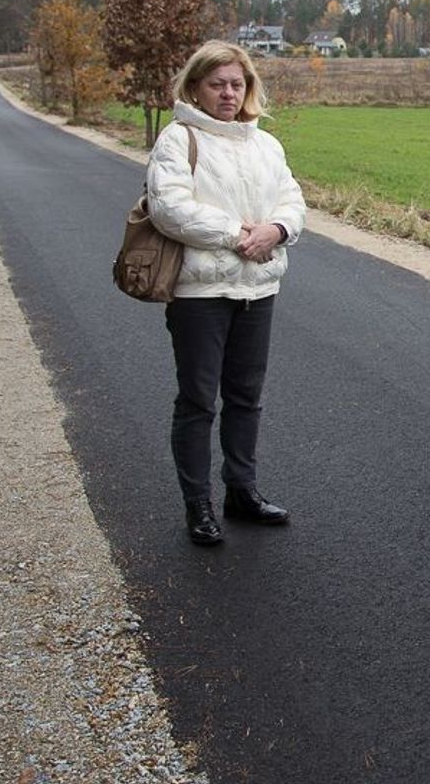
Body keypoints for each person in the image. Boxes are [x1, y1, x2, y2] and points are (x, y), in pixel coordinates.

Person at [146, 41, 307, 546]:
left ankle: (242, 490)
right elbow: (169, 208)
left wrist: (277, 229)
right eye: (217, 84)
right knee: (198, 399)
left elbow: (293, 200)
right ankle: (198, 505)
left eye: (237, 84)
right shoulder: (178, 140)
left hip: (257, 288)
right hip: (200, 292)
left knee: (246, 395)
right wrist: (242, 234)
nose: (228, 93)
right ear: (195, 86)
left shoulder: (266, 145)